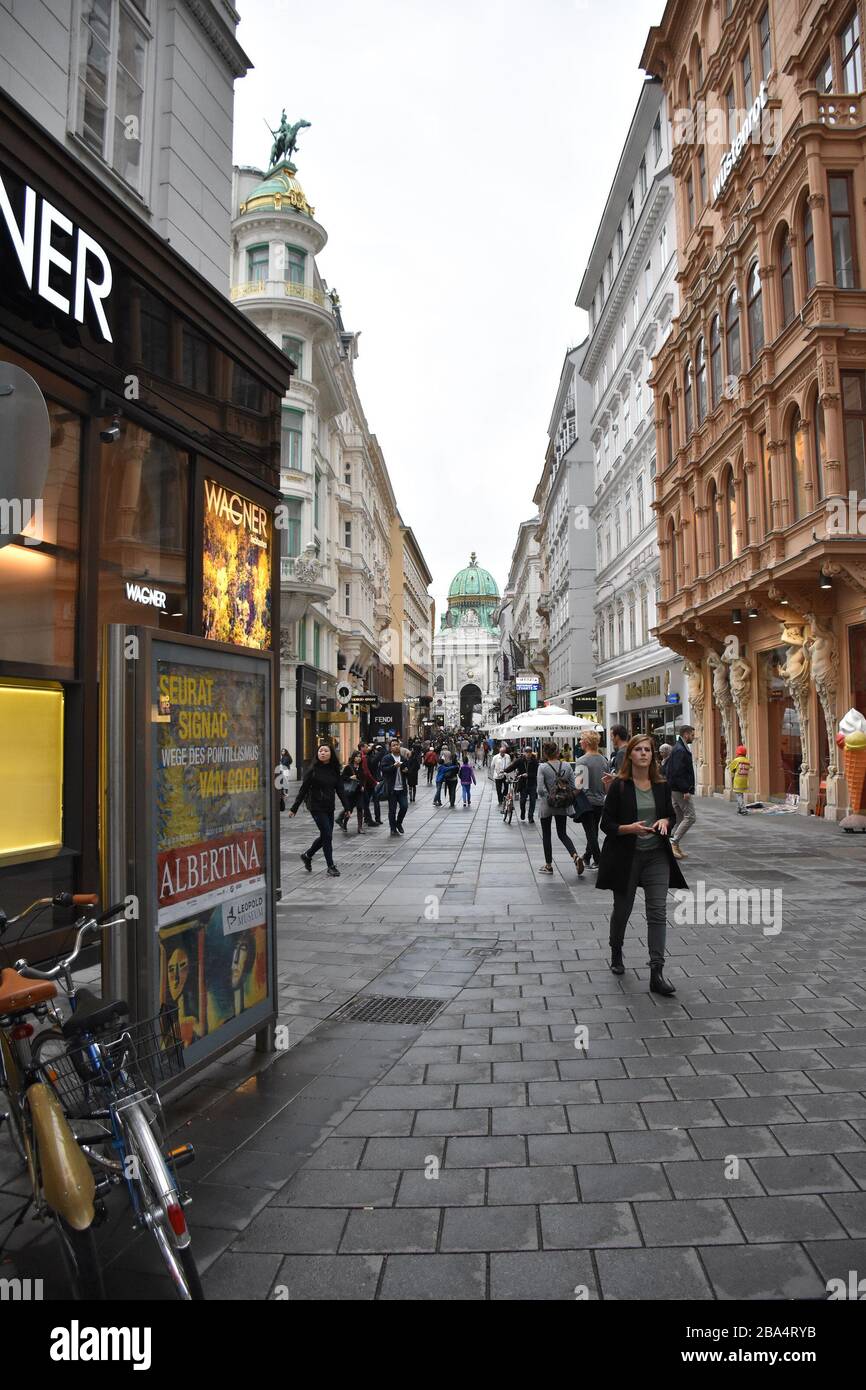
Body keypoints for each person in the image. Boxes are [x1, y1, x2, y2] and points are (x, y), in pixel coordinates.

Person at [596, 733, 686, 995]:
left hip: (656, 855)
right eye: (639, 750)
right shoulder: (619, 786)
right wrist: (629, 828)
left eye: (648, 750)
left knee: (657, 912)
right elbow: (607, 824)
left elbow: (670, 814)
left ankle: (656, 972)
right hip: (627, 856)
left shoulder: (661, 784)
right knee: (622, 910)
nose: (644, 754)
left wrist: (666, 822)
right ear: (630, 755)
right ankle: (616, 949)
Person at [288, 743, 349, 877]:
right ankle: (331, 866)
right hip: (316, 807)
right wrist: (294, 808)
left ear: (331, 754)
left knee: (326, 836)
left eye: (326, 751)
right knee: (327, 835)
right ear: (317, 754)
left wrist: (347, 807)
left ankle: (307, 855)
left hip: (329, 807)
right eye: (320, 750)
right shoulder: (312, 770)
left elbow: (340, 789)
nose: (322, 753)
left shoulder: (334, 770)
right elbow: (303, 790)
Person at [536, 741, 584, 876]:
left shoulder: (543, 767)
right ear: (558, 752)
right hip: (563, 804)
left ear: (545, 753)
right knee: (562, 833)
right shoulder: (567, 766)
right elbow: (575, 786)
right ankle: (574, 855)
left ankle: (548, 865)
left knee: (546, 834)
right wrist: (564, 797)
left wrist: (549, 796)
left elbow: (540, 789)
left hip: (547, 805)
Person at [574, 731, 608, 867]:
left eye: (581, 739)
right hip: (600, 800)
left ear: (587, 742)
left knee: (590, 833)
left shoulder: (582, 761)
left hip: (586, 801)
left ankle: (599, 860)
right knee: (593, 830)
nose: (579, 742)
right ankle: (587, 856)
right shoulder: (604, 760)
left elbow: (579, 784)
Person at [666, 725, 696, 860]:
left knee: (679, 818)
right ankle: (673, 842)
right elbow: (678, 771)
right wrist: (685, 789)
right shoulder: (680, 750)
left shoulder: (680, 748)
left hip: (676, 788)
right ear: (686, 734)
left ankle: (673, 845)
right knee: (690, 817)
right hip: (680, 789)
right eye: (692, 735)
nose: (693, 737)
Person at [380, 738, 410, 836]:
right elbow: (383, 769)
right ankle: (393, 828)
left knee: (404, 806)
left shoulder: (403, 758)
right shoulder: (387, 758)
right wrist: (394, 766)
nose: (396, 746)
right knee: (392, 810)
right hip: (392, 789)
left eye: (397, 745)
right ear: (390, 748)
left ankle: (399, 823)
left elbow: (408, 769)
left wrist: (406, 770)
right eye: (393, 745)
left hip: (402, 788)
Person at [503, 747, 538, 822]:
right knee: (522, 801)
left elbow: (536, 773)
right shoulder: (520, 760)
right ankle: (523, 812)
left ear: (531, 753)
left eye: (529, 752)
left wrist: (528, 775)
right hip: (523, 784)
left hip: (532, 784)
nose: (528, 754)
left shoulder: (535, 761)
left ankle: (530, 816)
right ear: (524, 753)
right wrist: (504, 771)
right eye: (526, 752)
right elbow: (512, 767)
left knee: (533, 801)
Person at [338, 751, 367, 834]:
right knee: (349, 809)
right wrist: (350, 777)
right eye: (357, 756)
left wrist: (362, 786)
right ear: (353, 757)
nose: (359, 758)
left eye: (360, 757)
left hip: (359, 792)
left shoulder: (361, 767)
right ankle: (344, 823)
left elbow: (363, 778)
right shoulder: (348, 767)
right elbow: (342, 778)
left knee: (360, 808)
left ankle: (360, 828)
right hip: (350, 792)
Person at [365, 741, 384, 826]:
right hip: (371, 782)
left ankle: (369, 818)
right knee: (373, 801)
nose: (368, 747)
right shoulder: (370, 758)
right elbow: (382, 752)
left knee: (369, 801)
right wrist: (377, 749)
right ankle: (374, 819)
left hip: (371, 782)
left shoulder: (369, 757)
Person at [728, 744, 751, 813]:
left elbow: (731, 768)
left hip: (738, 779)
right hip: (745, 779)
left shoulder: (737, 760)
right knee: (741, 794)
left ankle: (743, 809)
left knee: (738, 795)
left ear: (738, 753)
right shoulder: (747, 761)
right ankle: (739, 809)